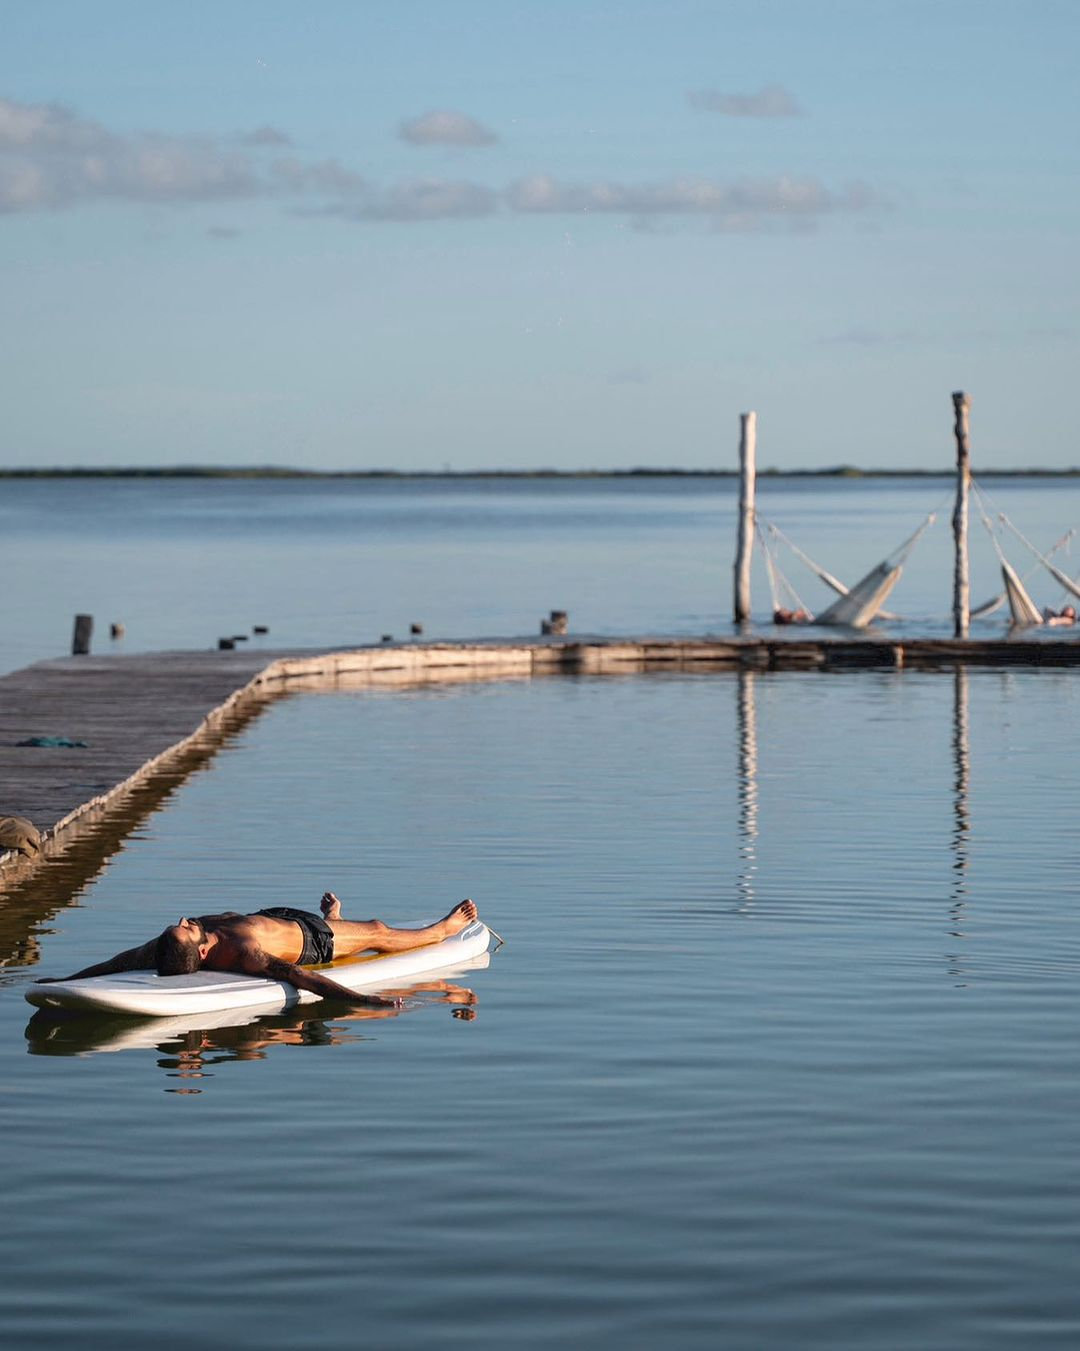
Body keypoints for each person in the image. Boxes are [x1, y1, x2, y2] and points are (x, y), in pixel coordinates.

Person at [35, 894, 479, 1009]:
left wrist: (66, 981)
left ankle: (339, 916)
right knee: (379, 932)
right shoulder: (245, 954)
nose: (185, 919)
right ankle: (442, 929)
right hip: (315, 939)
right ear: (201, 954)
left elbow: (117, 962)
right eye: (186, 928)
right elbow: (300, 977)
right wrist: (366, 1001)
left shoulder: (167, 946)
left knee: (357, 926)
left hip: (275, 914)